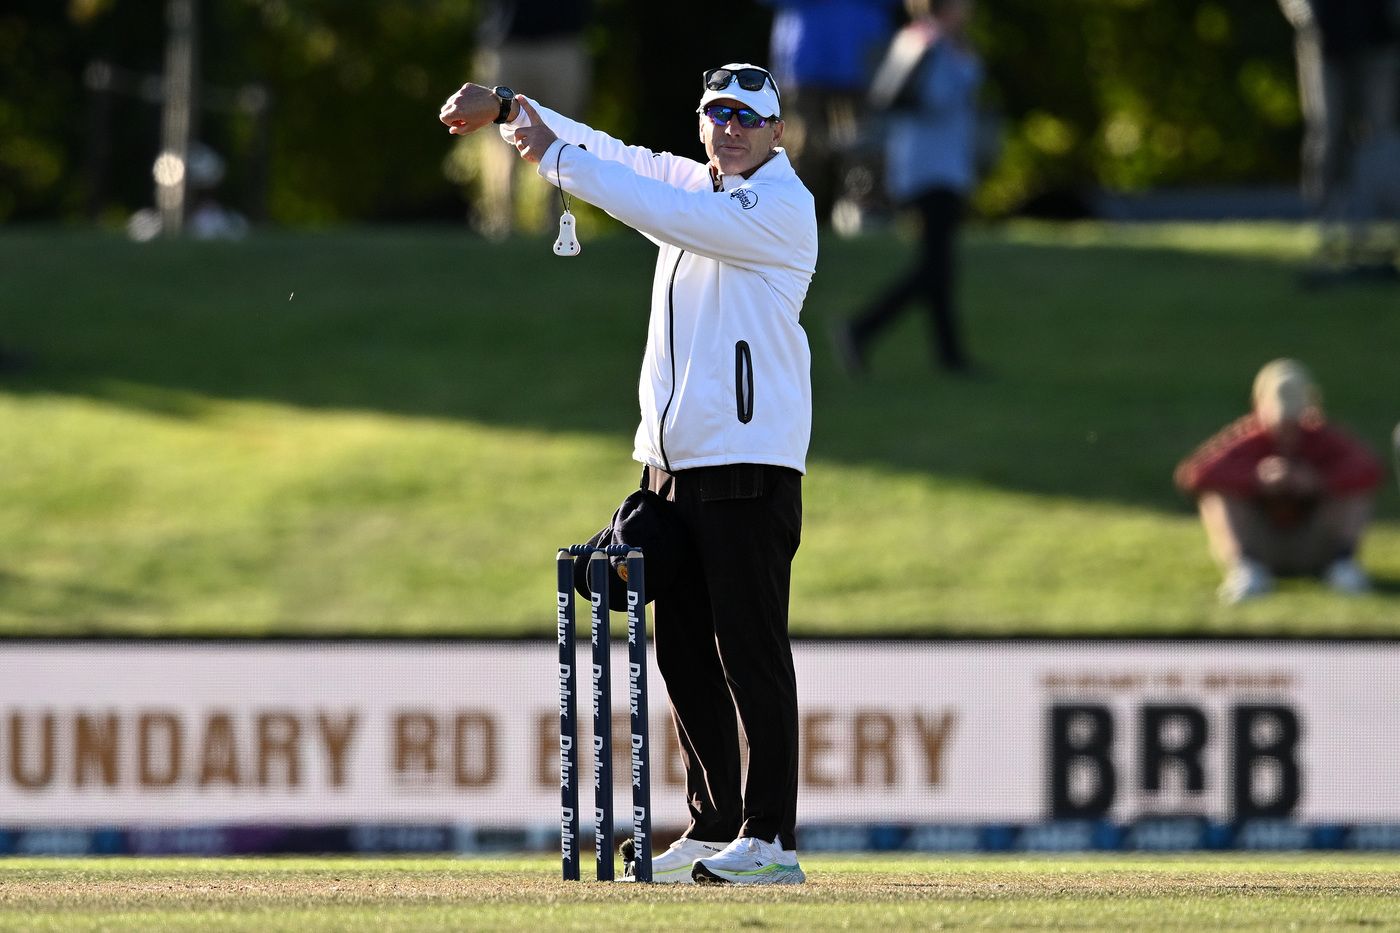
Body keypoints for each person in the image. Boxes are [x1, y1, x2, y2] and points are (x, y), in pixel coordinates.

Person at [439, 62, 817, 885]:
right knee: (680, 650)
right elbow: (617, 153)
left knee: (750, 651)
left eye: (749, 118)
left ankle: (771, 839)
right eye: (719, 113)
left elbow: (655, 204)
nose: (732, 128)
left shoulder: (782, 206)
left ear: (776, 133)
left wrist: (555, 161)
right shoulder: (700, 185)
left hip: (751, 463)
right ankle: (713, 823)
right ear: (703, 122)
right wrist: (511, 108)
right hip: (672, 469)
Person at [834, 0, 982, 375]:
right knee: (935, 267)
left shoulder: (948, 44)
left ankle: (950, 357)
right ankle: (860, 328)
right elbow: (900, 96)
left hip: (947, 166)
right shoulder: (923, 43)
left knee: (939, 267)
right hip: (926, 168)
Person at [1174, 359, 1383, 605]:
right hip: (1262, 545)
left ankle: (1342, 565)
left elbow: (1371, 470)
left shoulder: (1325, 437)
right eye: (1280, 424)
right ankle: (1246, 570)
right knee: (1218, 496)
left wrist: (1317, 481)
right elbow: (1195, 474)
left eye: (1294, 422)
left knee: (1356, 493)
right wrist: (1255, 479)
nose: (1287, 432)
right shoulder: (1247, 438)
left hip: (1314, 543)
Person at [1276, 0, 1400, 279]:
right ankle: (1325, 228)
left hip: (1378, 36)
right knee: (1326, 135)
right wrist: (1302, 11)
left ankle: (1374, 234)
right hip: (1324, 40)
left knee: (1378, 142)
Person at [760, 0, 900, 225]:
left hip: (861, 62)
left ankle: (862, 221)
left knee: (863, 152)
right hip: (805, 65)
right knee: (800, 152)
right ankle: (789, 219)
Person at [468, 0, 592, 238]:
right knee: (500, 138)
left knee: (564, 137)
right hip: (507, 41)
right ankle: (500, 226)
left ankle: (559, 226)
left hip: (562, 41)